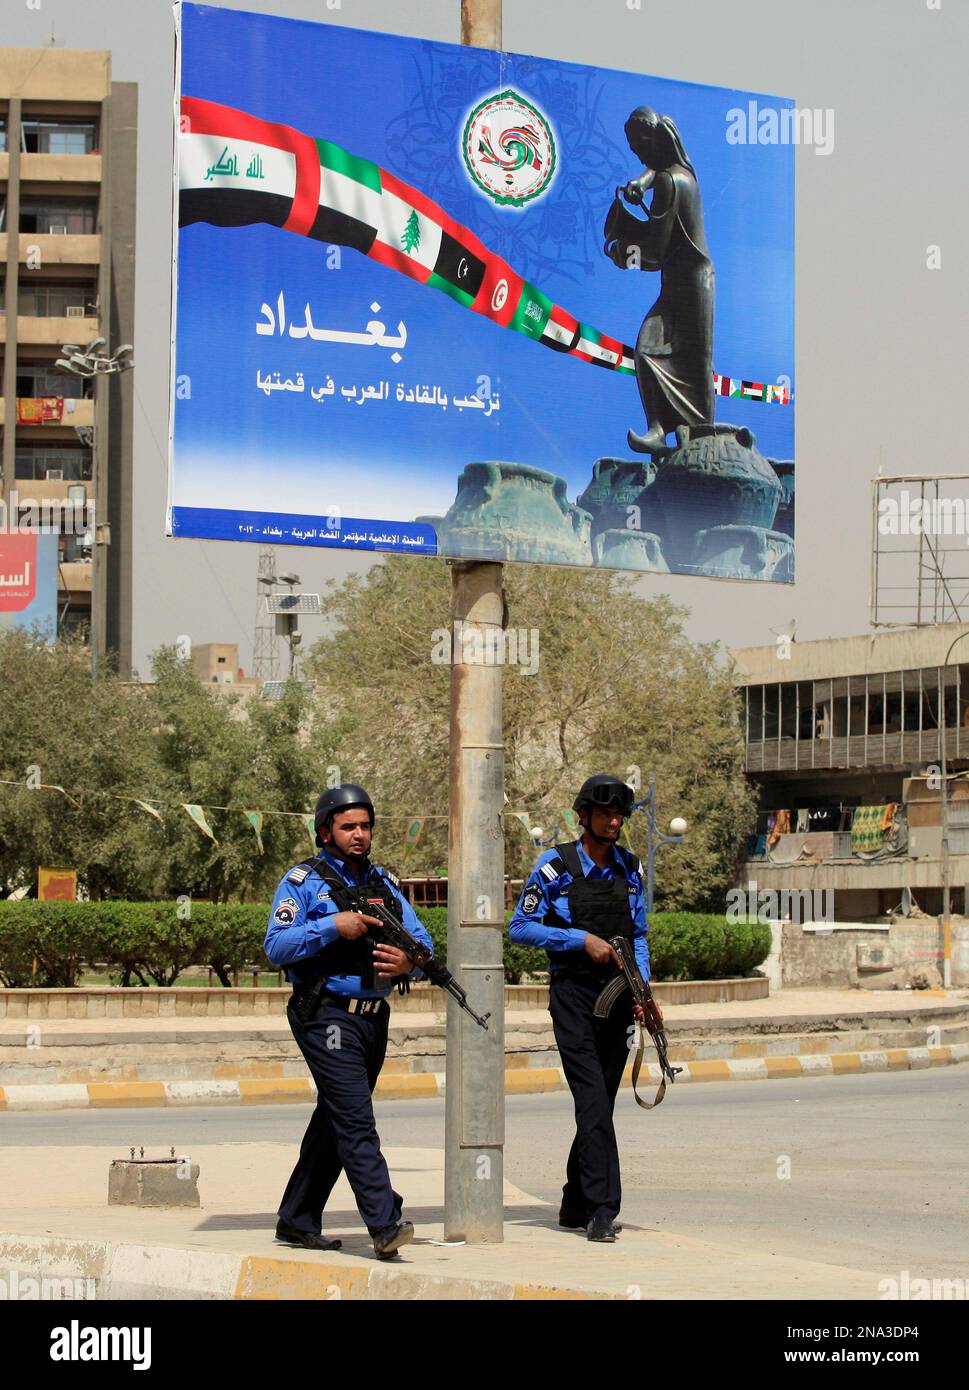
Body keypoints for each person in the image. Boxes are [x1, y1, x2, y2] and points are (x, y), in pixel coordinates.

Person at [264, 783, 433, 1260]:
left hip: (373, 1017)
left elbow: (423, 943)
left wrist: (410, 963)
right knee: (356, 1119)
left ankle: (297, 1218)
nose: (359, 835)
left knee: (336, 1118)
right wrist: (331, 926)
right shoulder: (302, 882)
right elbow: (276, 945)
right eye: (348, 827)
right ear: (325, 832)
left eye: (365, 826)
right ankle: (385, 1223)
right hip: (326, 1014)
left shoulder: (385, 883)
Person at [508, 774, 659, 1242]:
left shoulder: (630, 867)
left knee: (601, 1104)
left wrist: (643, 989)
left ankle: (574, 1202)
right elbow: (520, 927)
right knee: (592, 1100)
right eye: (605, 814)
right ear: (583, 817)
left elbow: (638, 935)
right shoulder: (555, 866)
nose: (614, 822)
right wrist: (579, 940)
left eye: (619, 815)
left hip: (619, 996)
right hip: (574, 996)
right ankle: (602, 1208)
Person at [602, 105, 715, 455]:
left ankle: (687, 433)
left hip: (688, 285)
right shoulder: (680, 173)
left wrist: (622, 253)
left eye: (639, 148)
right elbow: (659, 168)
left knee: (676, 357)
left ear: (652, 142)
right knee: (668, 354)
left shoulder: (670, 183)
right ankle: (664, 429)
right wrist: (643, 181)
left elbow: (653, 255)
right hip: (688, 281)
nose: (637, 156)